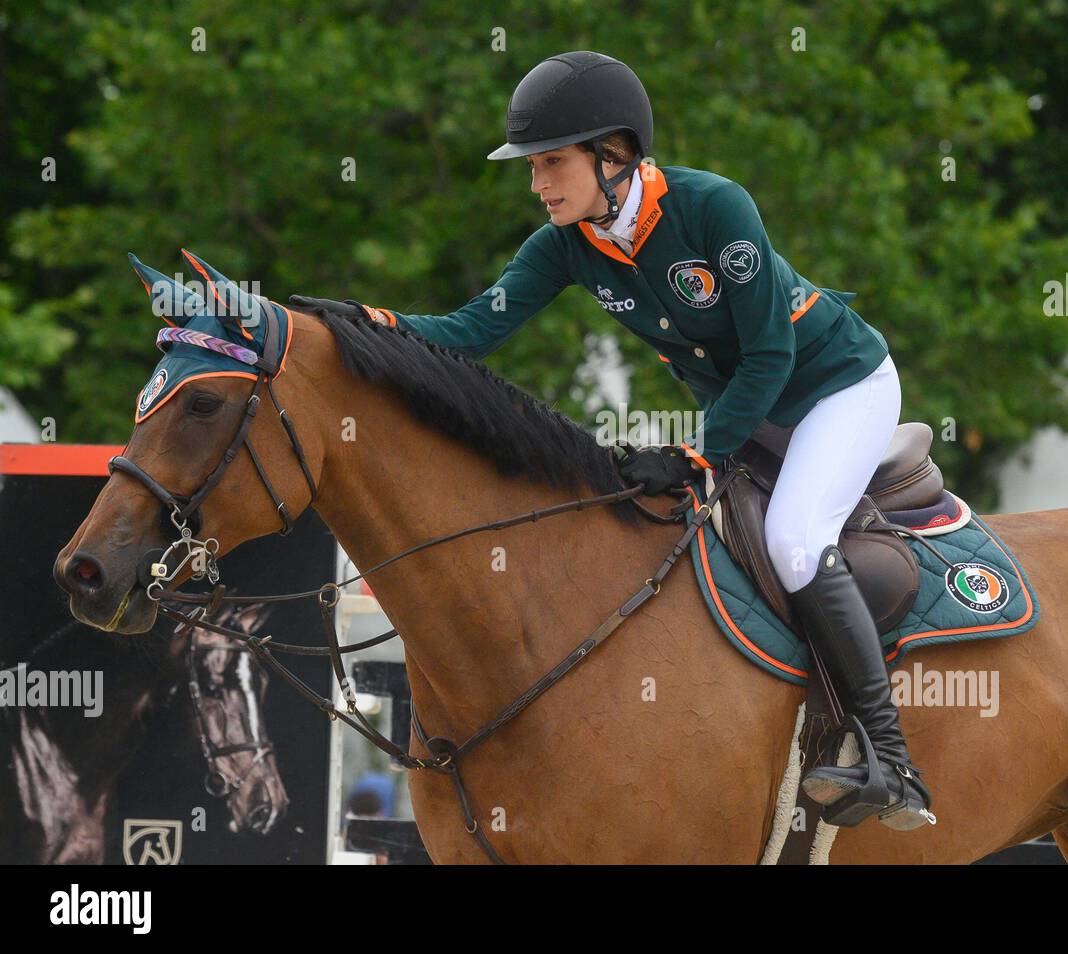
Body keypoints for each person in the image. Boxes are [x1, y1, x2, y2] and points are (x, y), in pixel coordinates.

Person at [290, 51, 933, 830]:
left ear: (615, 153)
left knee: (797, 542)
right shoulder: (564, 244)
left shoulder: (715, 208)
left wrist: (702, 452)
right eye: (532, 167)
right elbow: (468, 332)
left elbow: (771, 355)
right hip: (747, 407)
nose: (538, 183)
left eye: (552, 162)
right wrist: (363, 323)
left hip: (837, 389)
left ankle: (891, 763)